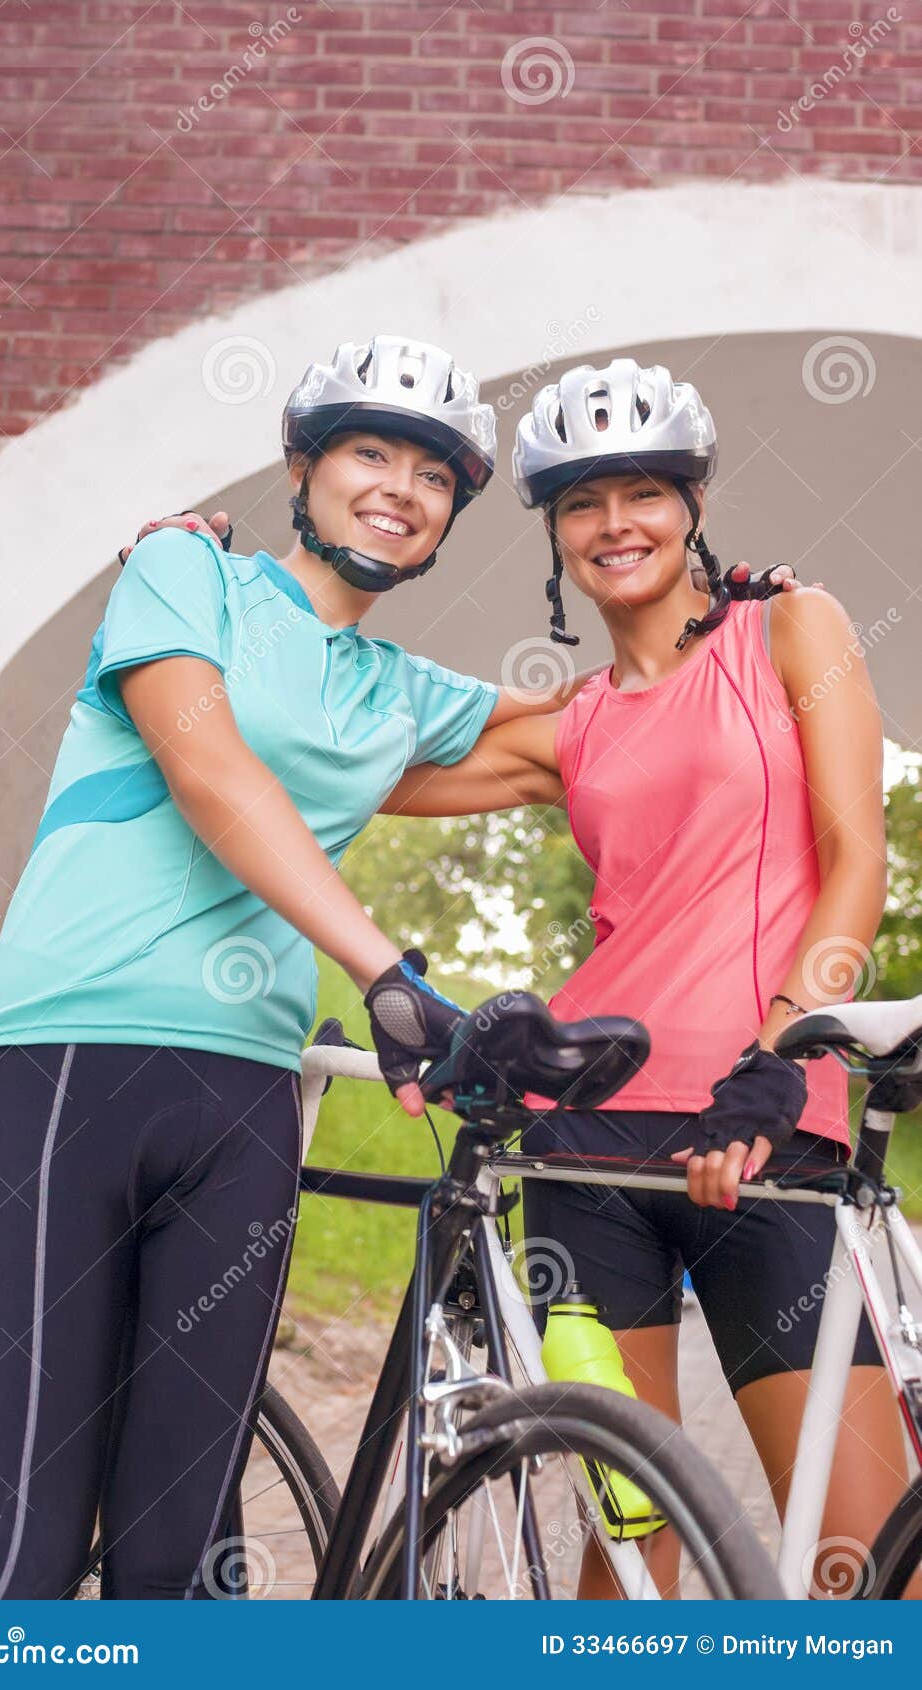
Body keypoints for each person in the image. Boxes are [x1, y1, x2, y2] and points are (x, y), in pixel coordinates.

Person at [0, 335, 577, 1599]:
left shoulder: (395, 694)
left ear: (450, 513)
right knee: (20, 1548)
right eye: (367, 452)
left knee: (183, 1555)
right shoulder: (186, 573)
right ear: (302, 466)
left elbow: (589, 734)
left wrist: (728, 631)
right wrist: (388, 968)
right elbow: (214, 775)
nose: (398, 485)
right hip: (76, 1055)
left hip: (245, 1095)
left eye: (433, 473)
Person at [383, 357, 908, 1598]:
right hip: (586, 1146)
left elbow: (855, 863)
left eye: (641, 492)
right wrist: (210, 586)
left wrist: (779, 1060)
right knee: (625, 1556)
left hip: (759, 1134)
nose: (613, 523)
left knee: (867, 1560)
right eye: (580, 502)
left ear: (691, 502)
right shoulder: (570, 720)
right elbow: (345, 761)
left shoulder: (791, 628)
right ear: (554, 533)